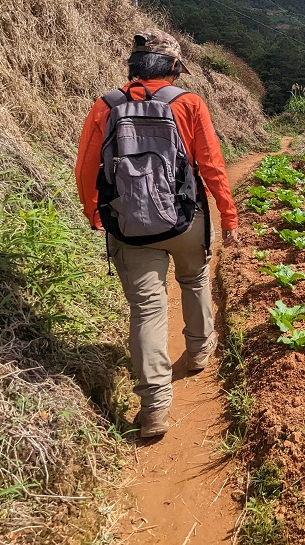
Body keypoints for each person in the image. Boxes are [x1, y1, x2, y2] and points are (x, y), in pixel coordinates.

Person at [75, 29, 239, 437]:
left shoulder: (106, 105)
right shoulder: (188, 103)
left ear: (133, 68)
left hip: (130, 225)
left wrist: (95, 212)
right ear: (174, 67)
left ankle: (155, 410)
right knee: (195, 278)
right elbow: (212, 165)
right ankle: (200, 352)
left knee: (147, 309)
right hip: (184, 219)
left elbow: (86, 168)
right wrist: (229, 215)